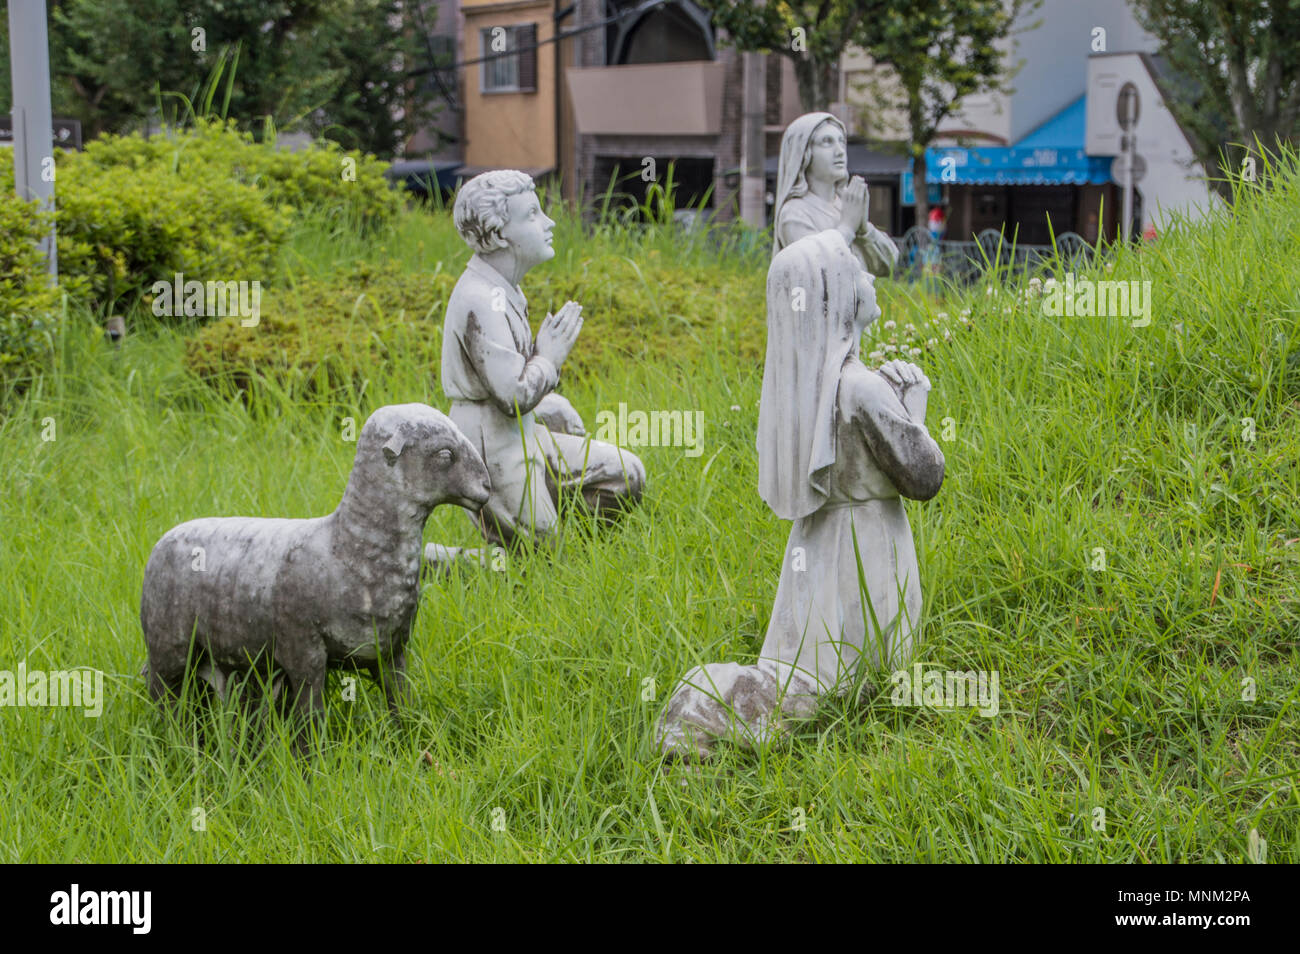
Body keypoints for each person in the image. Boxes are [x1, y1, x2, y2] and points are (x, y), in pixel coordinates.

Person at [656, 229, 945, 759]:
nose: (869, 277)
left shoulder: (806, 386)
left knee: (810, 664)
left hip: (813, 542)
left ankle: (725, 711)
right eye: (857, 271)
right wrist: (915, 408)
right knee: (855, 678)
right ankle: (752, 716)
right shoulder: (862, 386)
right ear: (836, 293)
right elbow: (923, 477)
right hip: (867, 540)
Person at [438, 170, 645, 550]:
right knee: (538, 560)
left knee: (625, 474)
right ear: (500, 234)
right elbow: (513, 396)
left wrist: (553, 402)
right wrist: (548, 358)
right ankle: (435, 564)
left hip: (520, 429)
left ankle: (579, 553)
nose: (549, 223)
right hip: (489, 441)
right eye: (533, 214)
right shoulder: (481, 300)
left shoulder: (506, 289)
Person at [772, 112, 899, 277]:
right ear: (803, 153)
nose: (839, 151)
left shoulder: (844, 207)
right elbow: (815, 270)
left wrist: (863, 228)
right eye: (827, 142)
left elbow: (889, 263)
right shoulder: (795, 213)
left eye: (841, 142)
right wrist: (847, 228)